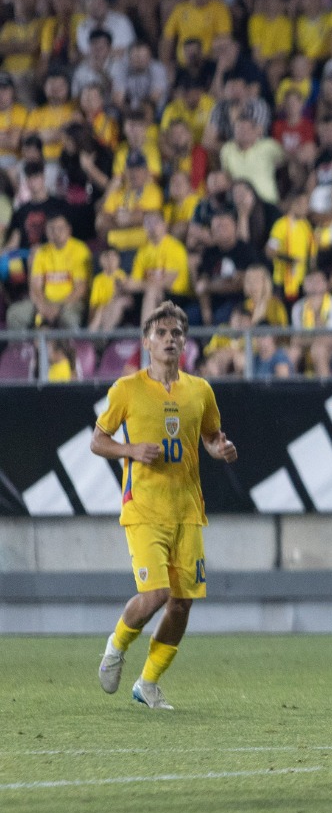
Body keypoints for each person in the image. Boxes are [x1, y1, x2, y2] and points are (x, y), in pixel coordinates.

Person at [92, 303, 239, 710]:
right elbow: (97, 440)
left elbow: (211, 436)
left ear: (184, 340)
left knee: (182, 601)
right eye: (161, 333)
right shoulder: (127, 389)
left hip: (187, 509)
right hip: (144, 509)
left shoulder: (200, 391)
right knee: (156, 593)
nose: (169, 339)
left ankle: (148, 683)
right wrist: (130, 449)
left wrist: (219, 449)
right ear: (147, 342)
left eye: (176, 333)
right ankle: (117, 645)